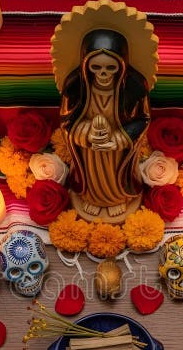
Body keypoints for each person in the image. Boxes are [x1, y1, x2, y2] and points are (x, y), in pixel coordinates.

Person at [61, 28, 150, 218]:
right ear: (86, 65)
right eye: (96, 68)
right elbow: (66, 120)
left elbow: (143, 118)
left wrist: (118, 138)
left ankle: (117, 199)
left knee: (116, 173)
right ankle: (91, 197)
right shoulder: (75, 85)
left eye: (110, 68)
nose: (103, 74)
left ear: (122, 65)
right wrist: (87, 133)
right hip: (88, 148)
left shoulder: (134, 86)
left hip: (119, 148)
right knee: (91, 174)